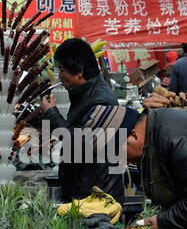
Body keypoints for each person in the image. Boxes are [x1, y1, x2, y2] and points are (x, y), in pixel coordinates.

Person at [41, 37, 131, 203]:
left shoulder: (101, 100)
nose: (60, 75)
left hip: (96, 194)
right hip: (84, 187)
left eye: (62, 69)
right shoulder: (84, 93)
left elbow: (81, 144)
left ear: (79, 71)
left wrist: (52, 114)